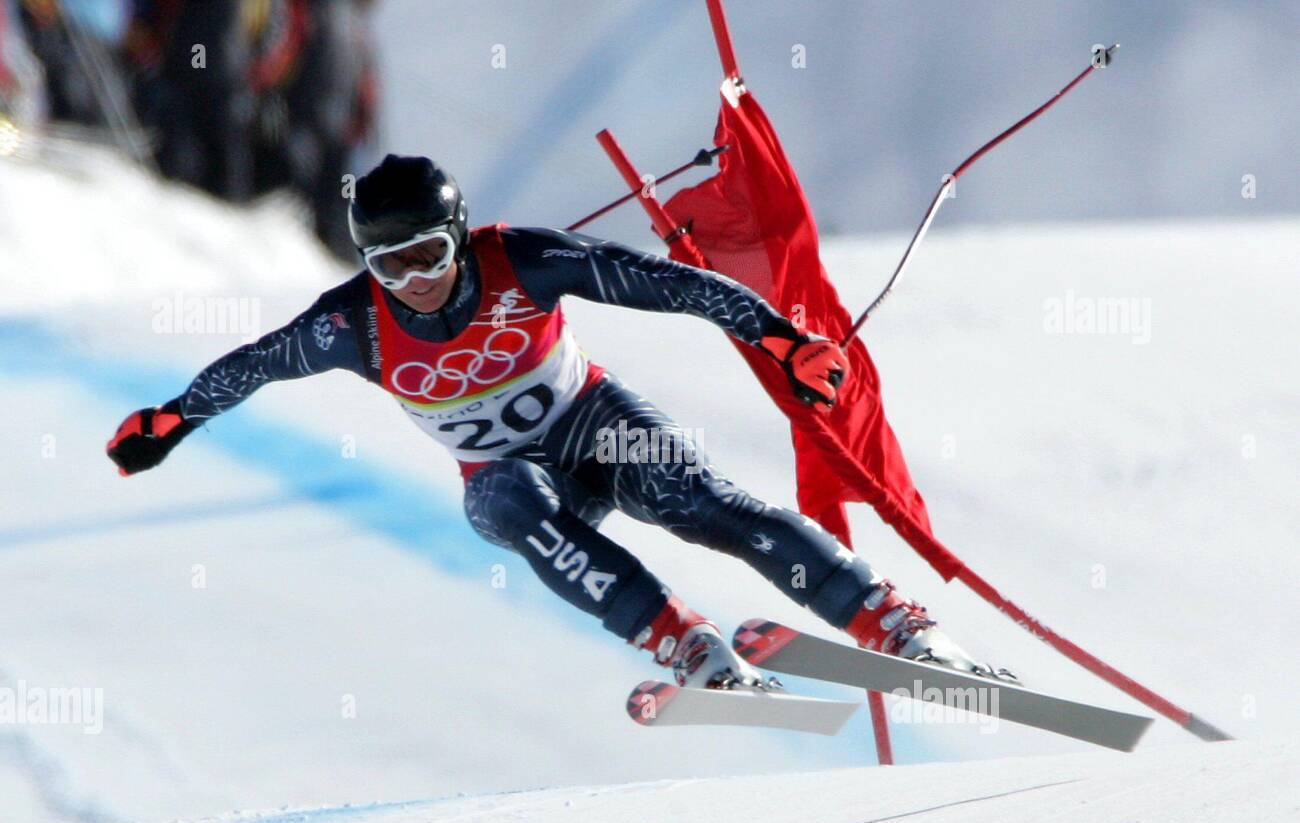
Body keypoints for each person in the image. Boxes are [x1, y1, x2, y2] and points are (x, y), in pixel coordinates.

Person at [107, 154, 1004, 689]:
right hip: (513, 475)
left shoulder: (522, 260)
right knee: (507, 505)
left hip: (593, 426)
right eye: (389, 263)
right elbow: (254, 364)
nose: (413, 280)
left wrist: (779, 337)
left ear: (457, 235)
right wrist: (174, 419)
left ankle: (891, 623)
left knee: (701, 501)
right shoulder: (351, 324)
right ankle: (678, 640)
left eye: (425, 254)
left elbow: (669, 284)